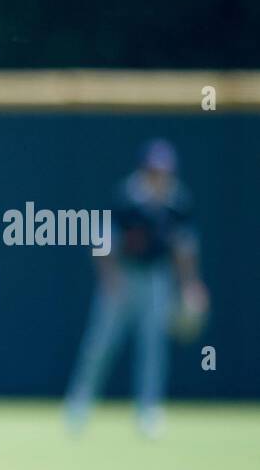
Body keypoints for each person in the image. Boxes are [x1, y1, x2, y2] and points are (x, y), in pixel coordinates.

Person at [64, 139, 208, 438]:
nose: (160, 176)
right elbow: (102, 243)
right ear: (144, 170)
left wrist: (190, 284)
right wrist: (110, 280)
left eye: (164, 171)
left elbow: (184, 249)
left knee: (152, 348)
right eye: (155, 170)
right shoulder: (126, 198)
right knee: (100, 345)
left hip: (156, 278)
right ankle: (78, 407)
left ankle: (148, 413)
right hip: (123, 277)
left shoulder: (177, 201)